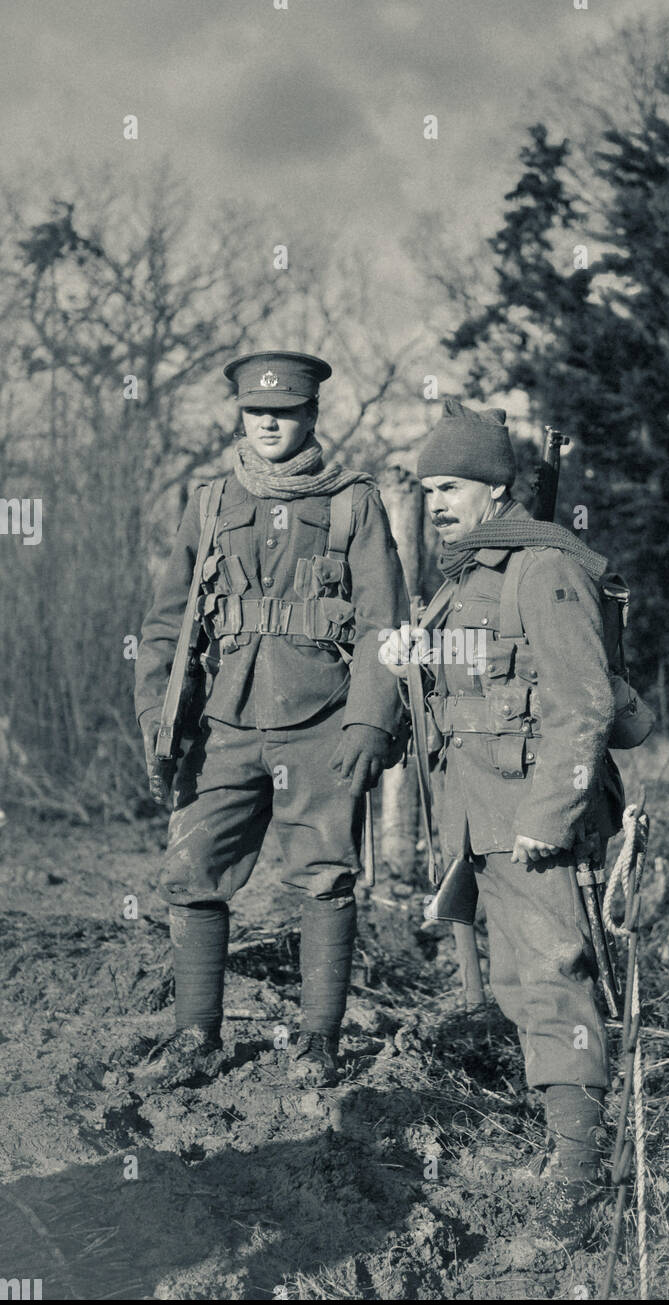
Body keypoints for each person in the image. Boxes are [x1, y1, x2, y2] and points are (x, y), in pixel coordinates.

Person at [134, 351, 408, 1087]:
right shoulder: (211, 501)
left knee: (323, 877)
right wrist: (158, 719)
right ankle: (198, 1038)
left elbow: (386, 623)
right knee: (190, 871)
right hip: (223, 722)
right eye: (256, 412)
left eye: (283, 412)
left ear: (311, 416)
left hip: (322, 720)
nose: (267, 423)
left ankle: (318, 1043)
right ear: (240, 417)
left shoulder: (353, 501)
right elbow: (166, 624)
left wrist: (368, 724)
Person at [382, 398, 623, 1219]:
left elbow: (582, 704)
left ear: (495, 487)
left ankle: (579, 1178)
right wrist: (414, 660)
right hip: (481, 819)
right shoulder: (470, 575)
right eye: (427, 490)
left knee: (556, 981)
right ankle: (570, 1153)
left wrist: (548, 817)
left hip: (530, 824)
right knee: (523, 987)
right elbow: (476, 688)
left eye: (451, 486)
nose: (437, 503)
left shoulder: (543, 569)